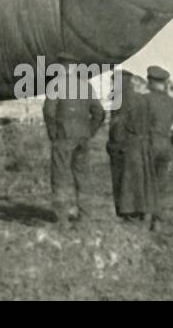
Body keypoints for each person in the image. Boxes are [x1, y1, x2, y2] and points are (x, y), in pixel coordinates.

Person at [41, 53, 106, 229]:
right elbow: (99, 113)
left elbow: (48, 112)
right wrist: (89, 131)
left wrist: (53, 133)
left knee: (60, 176)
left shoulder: (56, 84)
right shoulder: (86, 86)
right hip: (82, 138)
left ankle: (62, 219)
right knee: (83, 177)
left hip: (63, 137)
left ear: (61, 67)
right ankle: (84, 218)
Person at [107, 69, 155, 223]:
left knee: (124, 179)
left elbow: (117, 125)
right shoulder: (142, 99)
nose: (112, 85)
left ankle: (127, 212)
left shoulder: (119, 99)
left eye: (114, 82)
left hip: (125, 144)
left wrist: (113, 144)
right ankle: (141, 210)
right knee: (140, 178)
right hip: (141, 144)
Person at [144, 65, 173, 231]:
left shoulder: (143, 100)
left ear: (150, 82)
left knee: (143, 182)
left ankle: (141, 217)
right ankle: (157, 221)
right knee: (160, 185)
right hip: (165, 148)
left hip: (146, 147)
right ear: (164, 83)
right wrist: (170, 143)